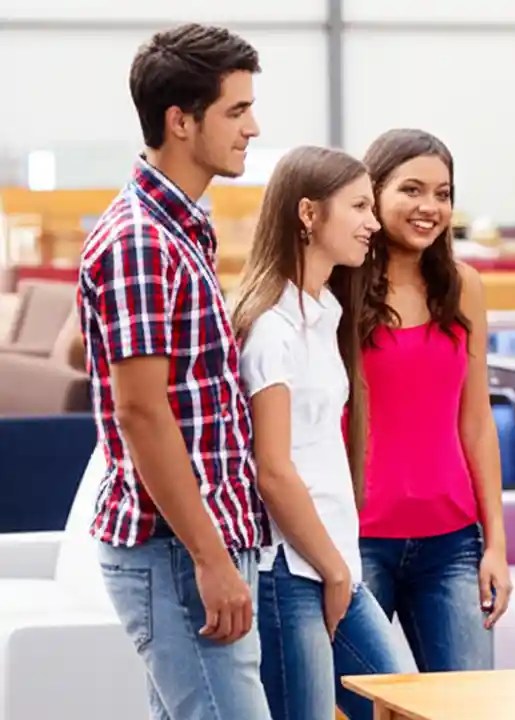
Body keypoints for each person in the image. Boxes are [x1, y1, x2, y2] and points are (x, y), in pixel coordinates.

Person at [77, 23, 272, 718]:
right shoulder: (140, 240)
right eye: (236, 111)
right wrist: (210, 558)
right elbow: (141, 412)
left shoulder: (182, 229)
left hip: (199, 544)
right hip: (178, 552)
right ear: (180, 121)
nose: (253, 128)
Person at [231, 145, 413, 720]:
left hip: (333, 561)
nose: (373, 223)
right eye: (359, 206)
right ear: (308, 213)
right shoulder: (271, 329)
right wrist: (333, 568)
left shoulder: (325, 314)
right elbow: (273, 470)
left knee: (405, 705)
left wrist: (339, 567)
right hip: (290, 570)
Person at [330, 128, 513, 672]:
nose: (429, 206)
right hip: (356, 540)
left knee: (467, 707)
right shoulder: (337, 286)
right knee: (365, 703)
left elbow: (476, 422)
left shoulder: (463, 286)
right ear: (373, 193)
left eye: (442, 193)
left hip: (452, 543)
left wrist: (496, 545)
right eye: (411, 190)